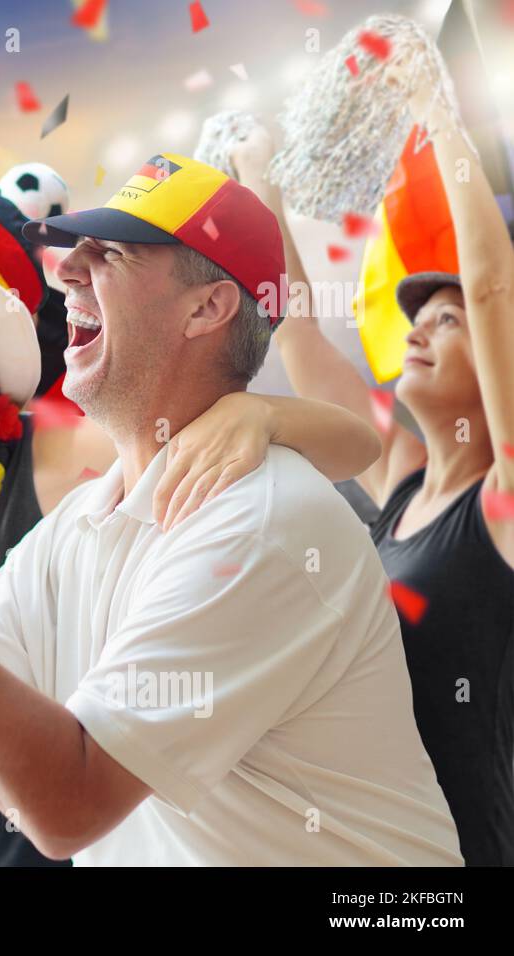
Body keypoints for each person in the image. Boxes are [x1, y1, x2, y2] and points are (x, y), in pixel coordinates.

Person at [0, 152, 462, 865]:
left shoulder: (259, 520)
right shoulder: (83, 522)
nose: (66, 271)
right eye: (76, 250)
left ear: (207, 307)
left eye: (108, 253)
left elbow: (66, 805)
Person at [244, 82, 514, 864]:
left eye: (448, 321)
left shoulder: (500, 505)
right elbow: (298, 337)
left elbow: (494, 282)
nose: (419, 332)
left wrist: (439, 116)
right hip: (377, 850)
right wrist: (264, 181)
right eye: (417, 319)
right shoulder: (400, 485)